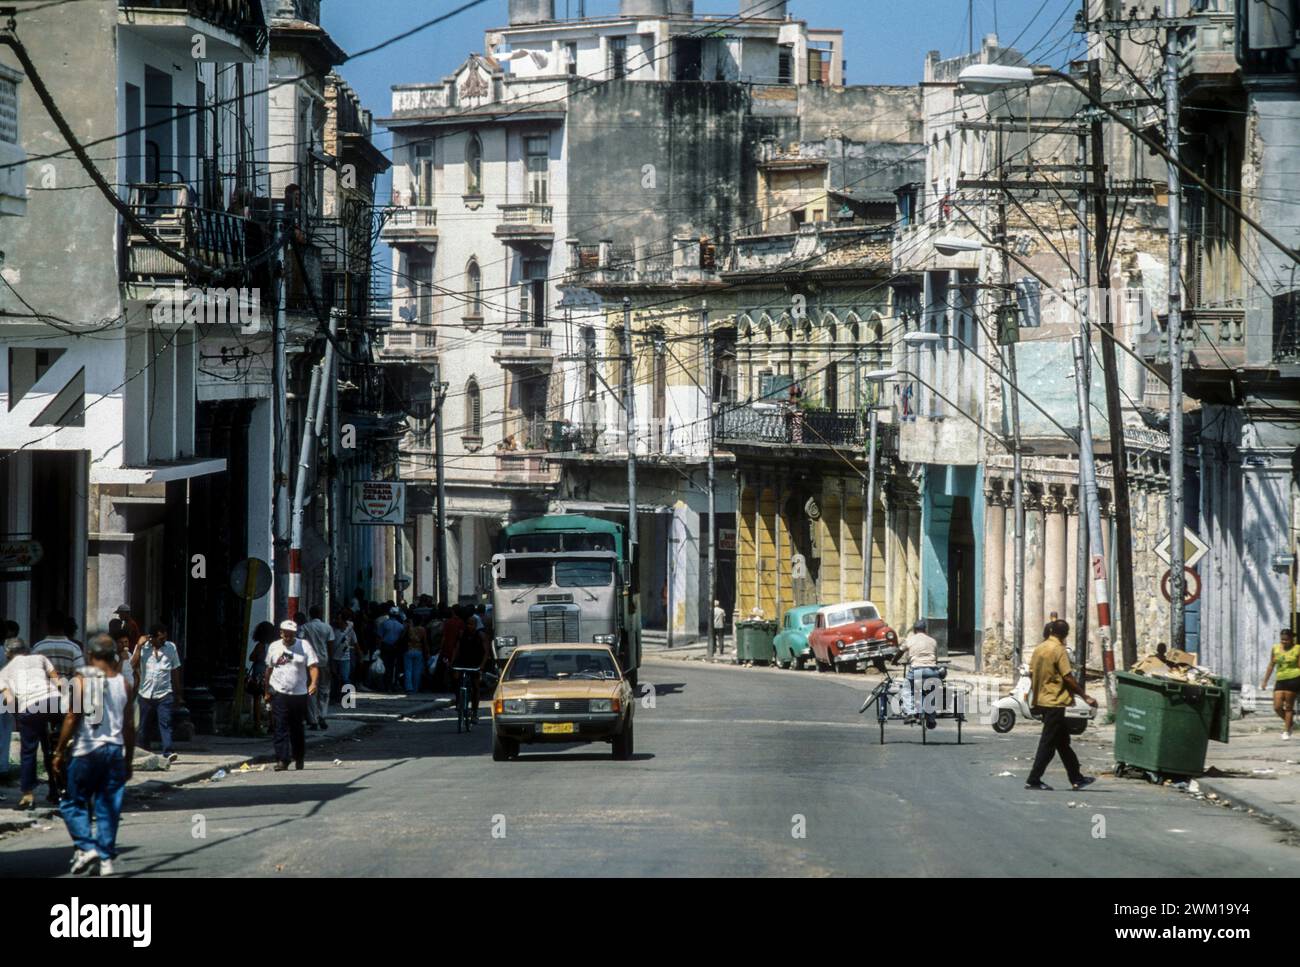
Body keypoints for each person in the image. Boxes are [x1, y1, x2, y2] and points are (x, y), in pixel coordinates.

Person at [51, 634, 133, 876]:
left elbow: (71, 717)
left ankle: (87, 847)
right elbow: (129, 726)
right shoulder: (124, 684)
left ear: (90, 655)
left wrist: (59, 751)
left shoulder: (81, 681)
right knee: (108, 806)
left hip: (86, 750)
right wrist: (128, 761)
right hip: (115, 751)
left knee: (72, 802)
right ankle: (106, 858)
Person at [1025, 619, 1098, 791]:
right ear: (1065, 634)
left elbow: (1032, 673)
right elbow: (1067, 677)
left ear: (1051, 631)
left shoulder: (1040, 648)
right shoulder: (1059, 650)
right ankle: (1033, 779)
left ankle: (1076, 778)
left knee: (1062, 743)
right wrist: (1084, 696)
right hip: (1055, 703)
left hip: (1043, 700)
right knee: (1048, 744)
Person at [0, 637, 63, 809]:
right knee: (56, 745)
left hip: (30, 708)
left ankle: (28, 796)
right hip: (54, 702)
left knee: (28, 752)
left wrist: (19, 718)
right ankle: (57, 788)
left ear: (8, 653)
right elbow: (58, 682)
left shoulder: (4, 673)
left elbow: (10, 700)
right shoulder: (40, 658)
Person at [263, 620, 320, 771]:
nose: (288, 637)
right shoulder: (274, 647)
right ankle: (282, 759)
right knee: (280, 726)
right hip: (279, 692)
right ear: (281, 633)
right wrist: (267, 691)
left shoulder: (304, 645)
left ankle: (299, 756)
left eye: (291, 635)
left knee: (296, 727)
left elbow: (313, 666)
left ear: (295, 634)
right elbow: (268, 670)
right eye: (285, 634)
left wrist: (313, 683)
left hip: (299, 693)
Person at [130, 624, 182, 764]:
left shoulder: (171, 648)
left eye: (164, 638)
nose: (163, 641)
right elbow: (132, 665)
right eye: (160, 639)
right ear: (152, 638)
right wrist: (139, 646)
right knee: (143, 727)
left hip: (164, 693)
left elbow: (175, 669)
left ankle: (168, 752)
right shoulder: (143, 648)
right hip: (145, 693)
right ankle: (143, 752)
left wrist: (178, 693)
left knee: (165, 723)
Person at [893, 619, 943, 728]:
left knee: (907, 688)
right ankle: (931, 718)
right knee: (932, 692)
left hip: (916, 671)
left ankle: (910, 713)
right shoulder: (933, 641)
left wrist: (894, 661)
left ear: (915, 630)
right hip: (931, 671)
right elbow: (936, 659)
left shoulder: (910, 640)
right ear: (925, 630)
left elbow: (900, 651)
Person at [299, 606, 335, 730]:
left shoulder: (305, 627)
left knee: (311, 691)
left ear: (310, 614)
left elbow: (300, 642)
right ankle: (322, 715)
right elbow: (331, 646)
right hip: (324, 662)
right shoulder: (327, 627)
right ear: (320, 614)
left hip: (310, 663)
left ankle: (313, 719)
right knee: (324, 691)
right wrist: (331, 662)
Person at [1261, 628, 1300, 739]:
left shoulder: (1297, 649)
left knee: (1288, 707)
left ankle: (1286, 731)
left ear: (1292, 639)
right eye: (1282, 640)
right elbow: (1271, 665)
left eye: (1286, 640)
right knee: (1277, 707)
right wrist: (1265, 681)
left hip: (1294, 678)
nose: (1284, 642)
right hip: (1280, 679)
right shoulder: (1275, 648)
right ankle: (1290, 723)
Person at [451, 606, 488, 722]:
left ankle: (474, 712)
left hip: (475, 663)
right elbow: (456, 648)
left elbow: (486, 652)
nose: (469, 626)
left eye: (472, 624)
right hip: (462, 661)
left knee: (475, 687)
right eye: (468, 624)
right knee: (456, 681)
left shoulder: (481, 635)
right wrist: (452, 662)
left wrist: (482, 665)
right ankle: (459, 702)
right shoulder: (462, 635)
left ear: (476, 625)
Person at [248, 621, 278, 735]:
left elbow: (252, 657)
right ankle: (272, 724)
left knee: (256, 699)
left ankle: (257, 724)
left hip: (259, 675)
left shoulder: (260, 646)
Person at [33, 613, 84, 679]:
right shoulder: (74, 648)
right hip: (66, 688)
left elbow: (33, 673)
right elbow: (80, 675)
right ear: (64, 626)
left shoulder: (38, 648)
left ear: (47, 626)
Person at [329, 612, 356, 702]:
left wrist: (359, 654)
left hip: (345, 658)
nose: (337, 621)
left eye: (339, 619)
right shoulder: (333, 630)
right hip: (334, 657)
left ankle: (347, 698)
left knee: (345, 678)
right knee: (335, 678)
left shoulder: (350, 630)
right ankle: (335, 697)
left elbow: (355, 642)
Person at [377, 607, 405, 693]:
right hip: (395, 648)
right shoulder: (401, 626)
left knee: (386, 666)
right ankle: (393, 684)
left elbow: (379, 637)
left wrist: (378, 648)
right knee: (394, 667)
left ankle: (387, 685)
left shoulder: (384, 624)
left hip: (385, 647)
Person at [404, 620, 429, 694]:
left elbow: (403, 637)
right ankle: (415, 688)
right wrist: (427, 652)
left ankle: (409, 688)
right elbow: (425, 641)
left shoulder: (409, 628)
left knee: (408, 670)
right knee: (417, 671)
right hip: (419, 650)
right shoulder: (422, 630)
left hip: (409, 650)